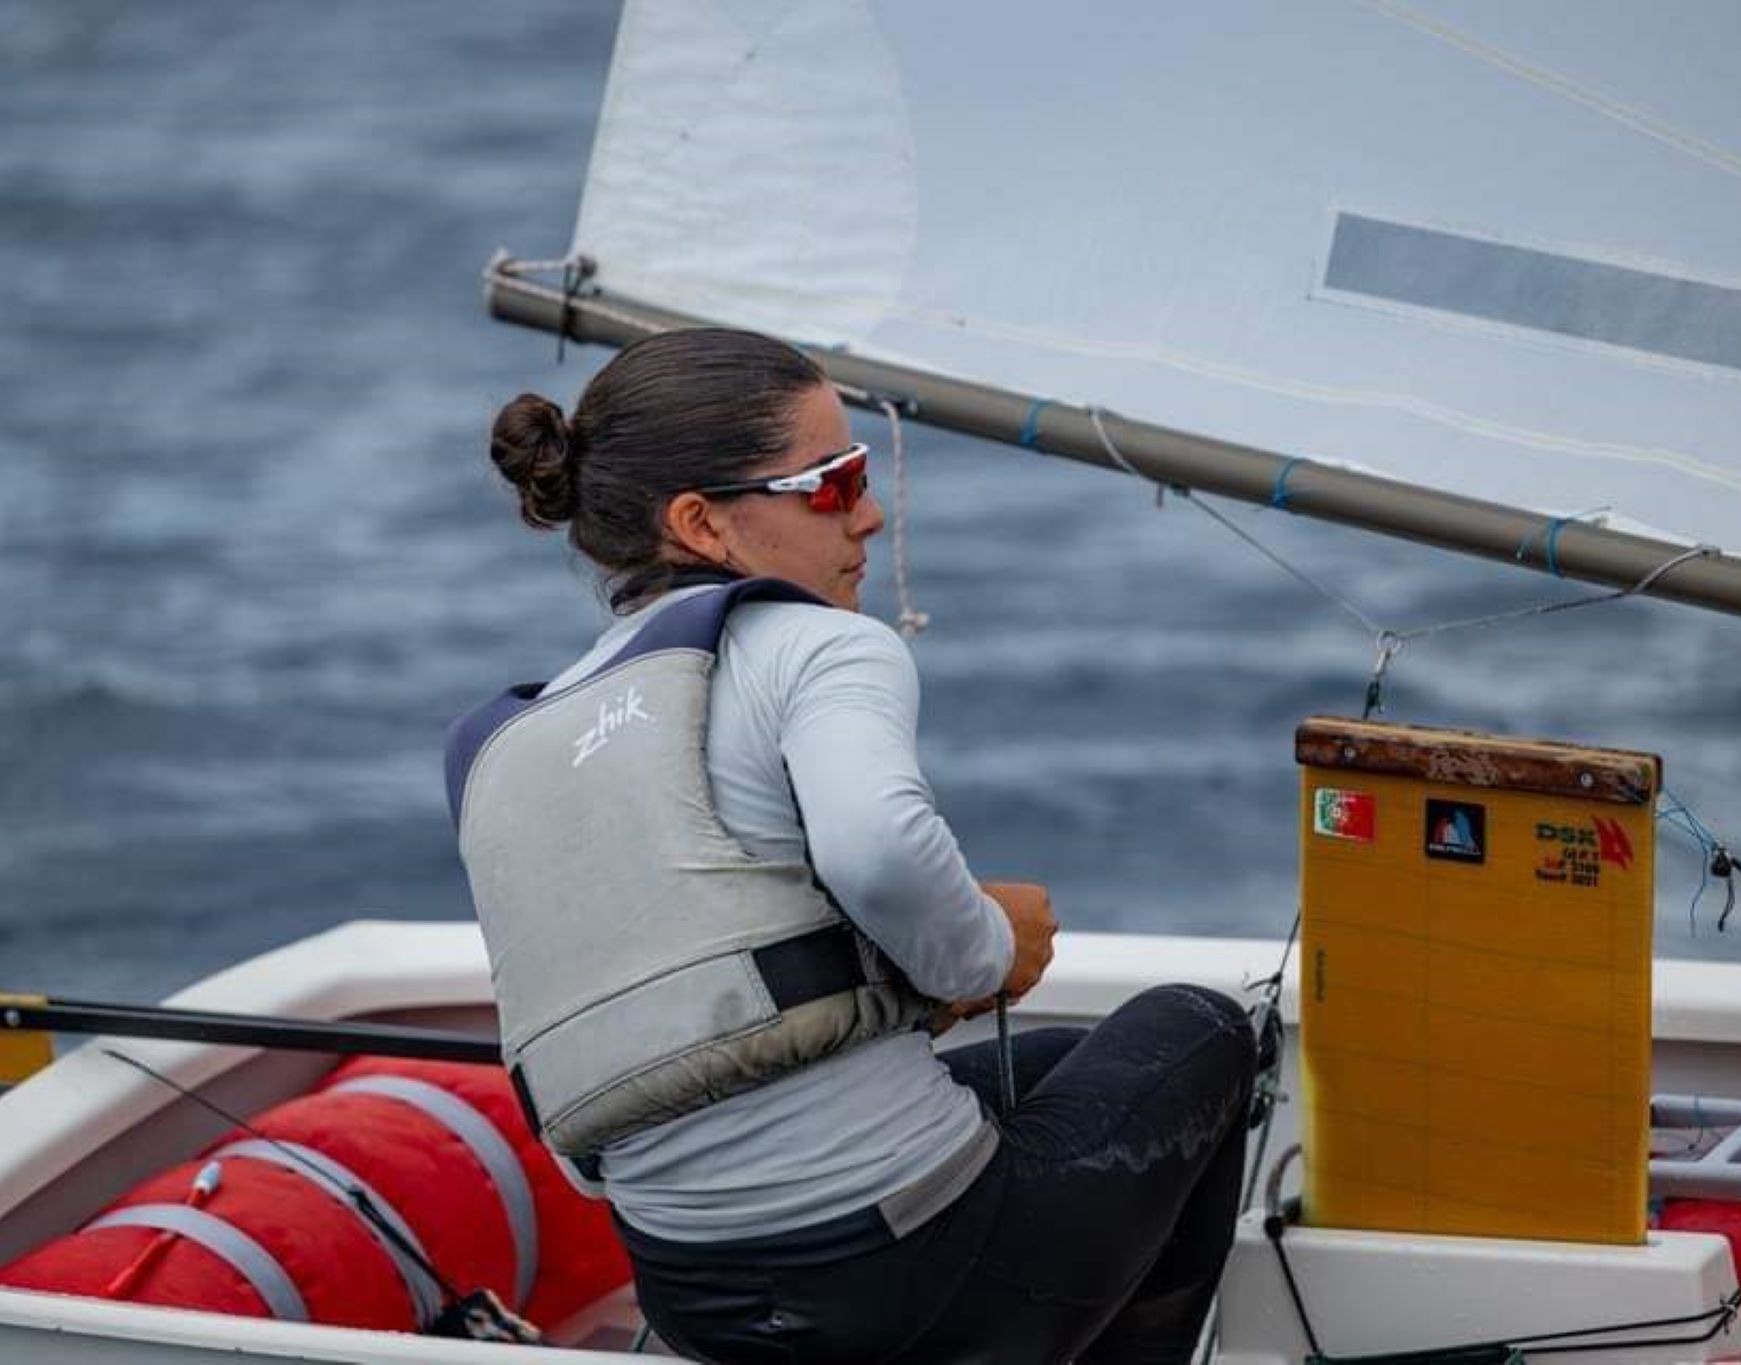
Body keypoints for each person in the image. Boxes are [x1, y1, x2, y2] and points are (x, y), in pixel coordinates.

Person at [448, 327, 1258, 1364]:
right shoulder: (818, 644)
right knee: (1201, 1031)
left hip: (692, 1290)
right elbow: (879, 852)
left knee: (1063, 1066)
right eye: (832, 484)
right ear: (701, 523)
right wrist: (983, 951)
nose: (869, 513)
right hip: (906, 1277)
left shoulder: (508, 745)